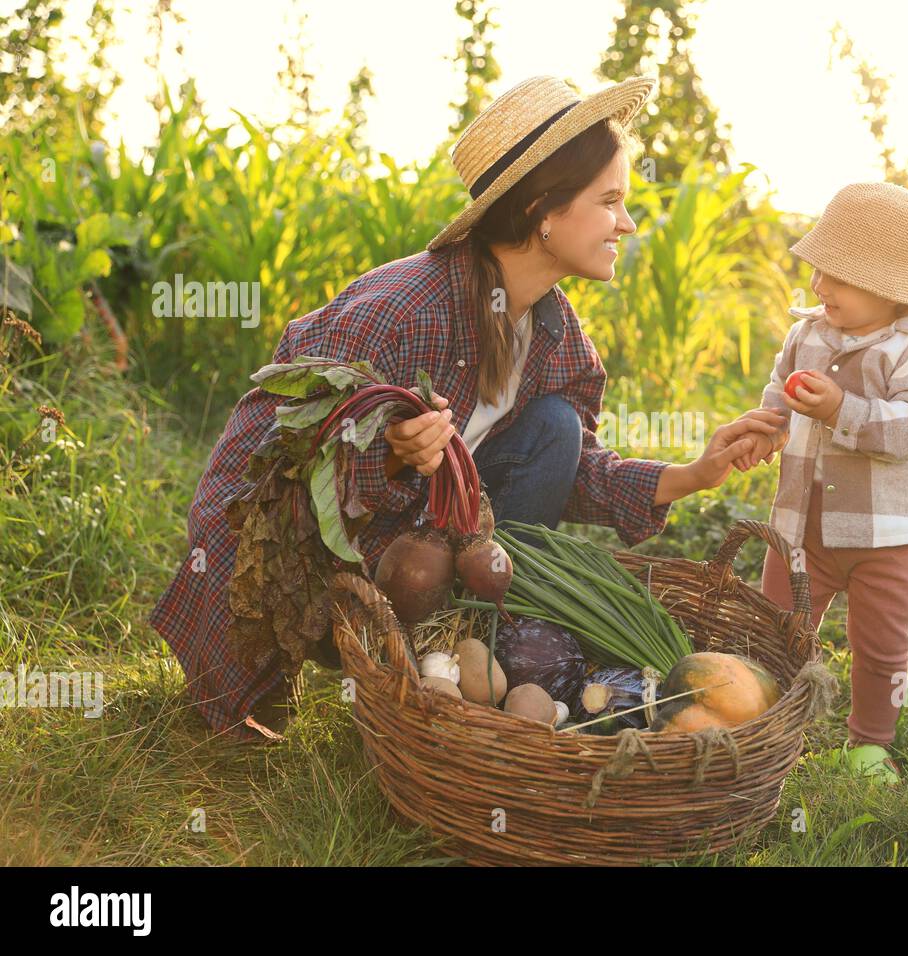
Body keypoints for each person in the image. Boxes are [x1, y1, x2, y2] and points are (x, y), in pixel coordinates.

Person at [150, 74, 784, 741]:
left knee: (555, 428)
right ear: (543, 209)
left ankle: (467, 644)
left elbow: (568, 465)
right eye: (611, 201)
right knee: (245, 730)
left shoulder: (553, 331)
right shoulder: (404, 312)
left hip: (425, 532)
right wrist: (388, 455)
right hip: (310, 542)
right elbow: (272, 466)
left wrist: (695, 473)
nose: (627, 222)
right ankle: (411, 657)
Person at [738, 182, 908, 784]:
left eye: (836, 275)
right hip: (799, 529)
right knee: (776, 632)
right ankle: (768, 729)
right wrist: (767, 428)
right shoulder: (806, 334)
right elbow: (779, 391)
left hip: (885, 537)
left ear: (888, 286)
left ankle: (869, 744)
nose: (818, 285)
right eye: (818, 270)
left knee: (881, 647)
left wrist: (843, 408)